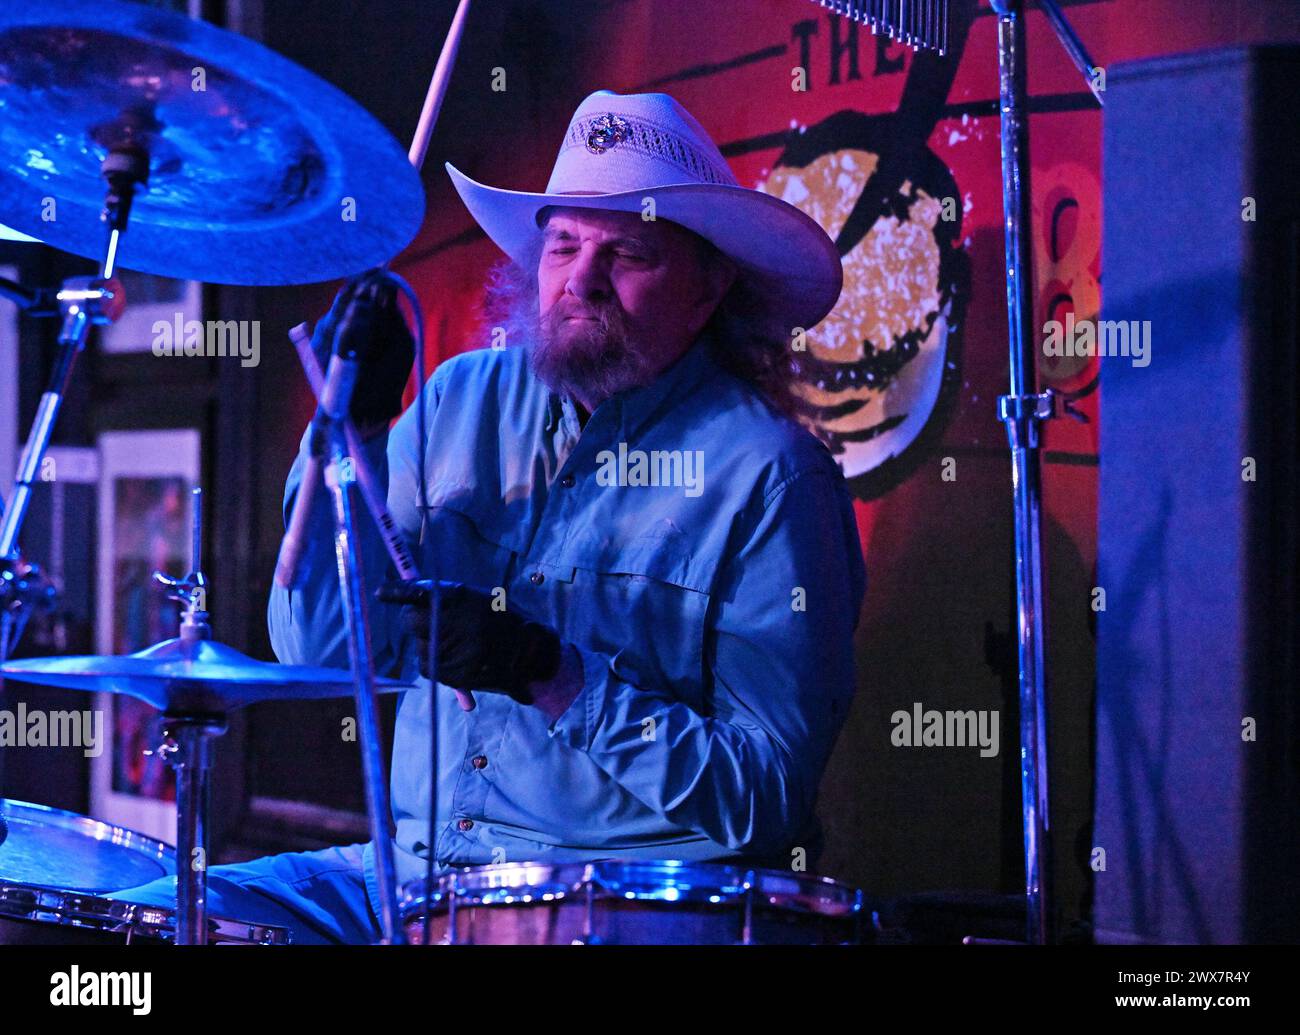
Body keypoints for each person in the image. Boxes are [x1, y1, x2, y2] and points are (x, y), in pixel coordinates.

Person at [111, 90, 866, 944]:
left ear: (708, 288)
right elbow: (321, 648)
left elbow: (765, 793)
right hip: (407, 877)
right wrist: (347, 430)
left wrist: (554, 675)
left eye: (628, 253)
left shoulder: (770, 476)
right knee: (153, 919)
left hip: (609, 901)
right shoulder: (460, 398)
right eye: (565, 245)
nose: (581, 279)